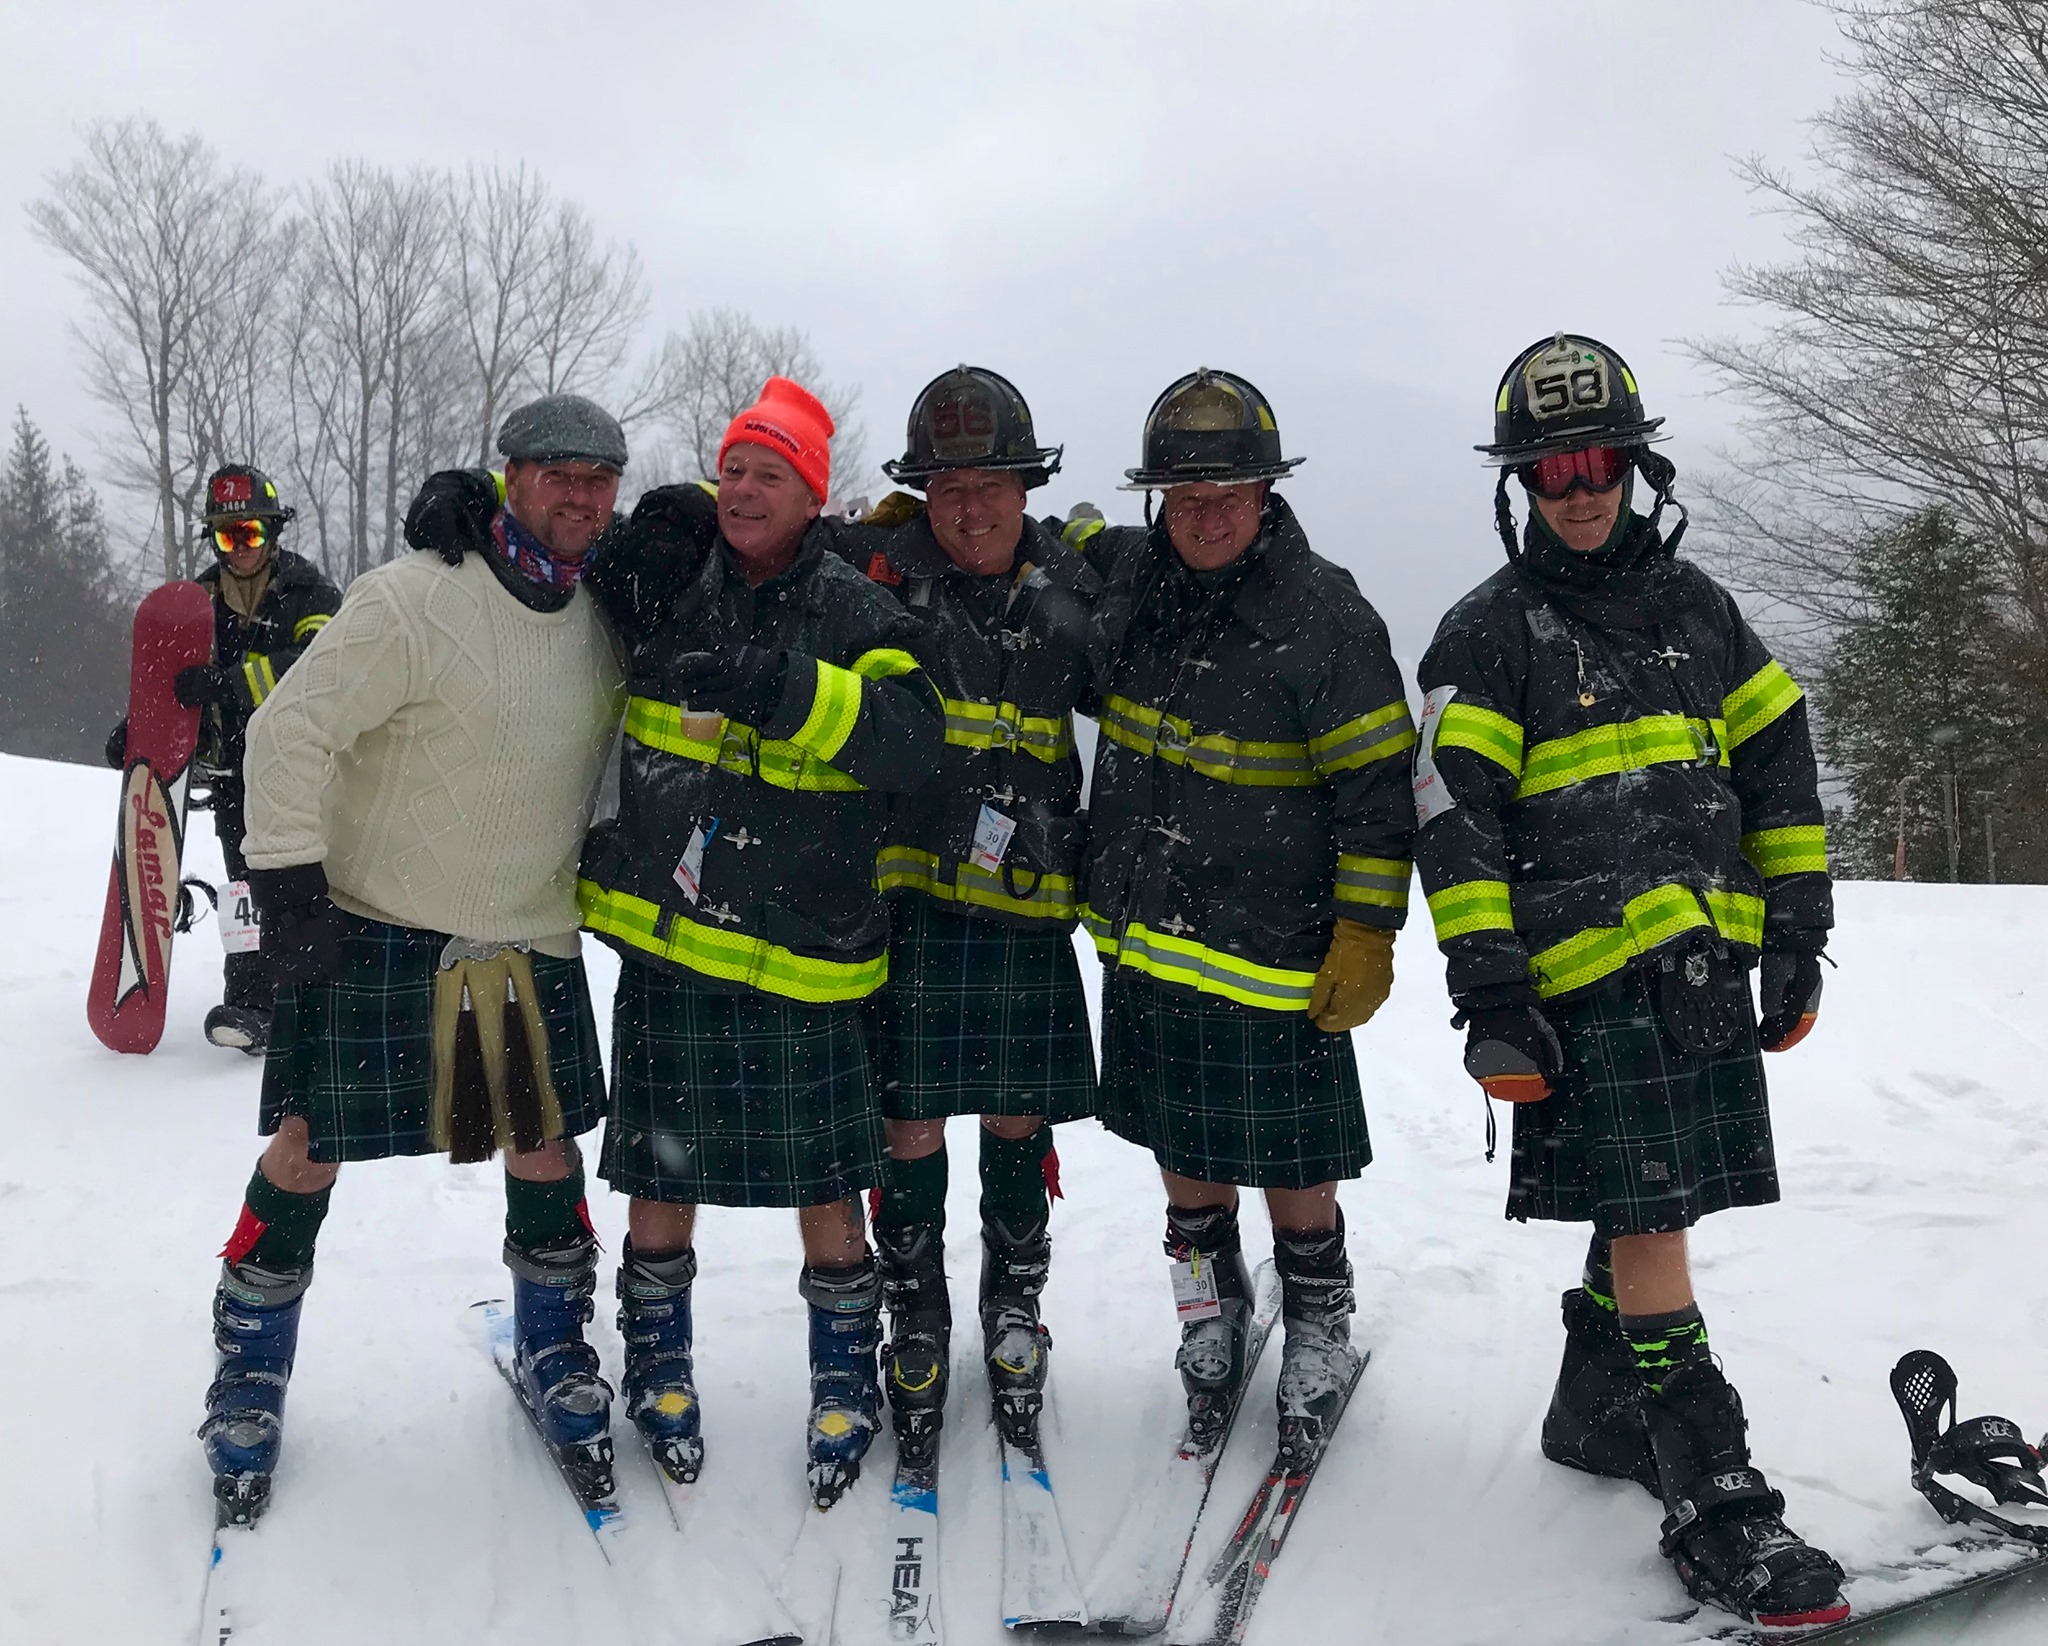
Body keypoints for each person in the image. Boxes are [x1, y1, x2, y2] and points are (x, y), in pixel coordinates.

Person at [415, 378, 945, 1505]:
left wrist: (786, 687)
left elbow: (911, 741)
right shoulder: (664, 576)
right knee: (660, 1177)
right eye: (735, 468)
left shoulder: (860, 609)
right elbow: (544, 553)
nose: (746, 488)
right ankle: (657, 1365)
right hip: (674, 940)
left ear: (814, 495)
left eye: (773, 474)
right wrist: (472, 505)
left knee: (825, 1187)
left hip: (807, 954)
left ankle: (843, 1374)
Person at [1411, 334, 1843, 1627]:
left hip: (1705, 970)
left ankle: (1598, 1406)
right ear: (1521, 487)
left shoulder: (1704, 609)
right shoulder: (1485, 636)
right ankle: (1713, 1494)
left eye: (1597, 461)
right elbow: (1453, 817)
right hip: (1580, 986)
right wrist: (1490, 990)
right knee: (1654, 1215)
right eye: (1550, 471)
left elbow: (1780, 763)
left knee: (1654, 1206)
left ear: (1634, 464)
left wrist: (1797, 928)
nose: (1578, 489)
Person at [200, 395, 629, 1523]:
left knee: (539, 1144)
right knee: (308, 1143)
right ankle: (248, 1367)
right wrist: (287, 886)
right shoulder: (411, 597)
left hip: (521, 925)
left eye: (601, 477)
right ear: (508, 476)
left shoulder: (604, 612)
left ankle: (554, 1350)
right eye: (556, 473)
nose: (580, 495)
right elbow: (287, 733)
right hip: (383, 918)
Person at [1083, 370, 1416, 1464]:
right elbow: (1051, 546)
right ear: (1153, 504)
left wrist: (1366, 929)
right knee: (1178, 1151)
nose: (1209, 515)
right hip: (1147, 933)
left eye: (1230, 491)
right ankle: (1205, 1310)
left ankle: (1317, 1313)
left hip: (1273, 951)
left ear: (1268, 490)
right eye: (1184, 497)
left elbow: (1375, 789)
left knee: (1289, 1161)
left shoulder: (1327, 614)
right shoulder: (1130, 583)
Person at [835, 367, 1102, 1472]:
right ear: (920, 493)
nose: (970, 509)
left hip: (1025, 906)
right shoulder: (875, 578)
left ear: (1027, 487)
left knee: (1012, 1115)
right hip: (904, 909)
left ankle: (1014, 1304)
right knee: (905, 1123)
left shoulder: (1081, 591)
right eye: (945, 487)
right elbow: (756, 539)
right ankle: (917, 1312)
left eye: (993, 485)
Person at [103, 467, 341, 1053]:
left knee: (301, 886)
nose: (239, 550)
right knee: (243, 889)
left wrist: (232, 683)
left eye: (251, 535)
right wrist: (139, 736)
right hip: (236, 778)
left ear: (274, 533)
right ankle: (252, 1003)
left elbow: (320, 669)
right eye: (227, 537)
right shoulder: (196, 605)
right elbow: (174, 690)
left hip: (303, 771)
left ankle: (318, 998)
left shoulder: (311, 596)